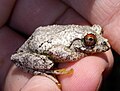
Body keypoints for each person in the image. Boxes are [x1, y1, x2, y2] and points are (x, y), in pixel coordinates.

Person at [1, 0, 119, 91]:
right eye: (90, 41)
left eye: (99, 32)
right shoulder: (72, 48)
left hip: (42, 36)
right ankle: (43, 71)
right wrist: (76, 56)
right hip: (36, 50)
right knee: (49, 63)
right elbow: (54, 51)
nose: (103, 41)